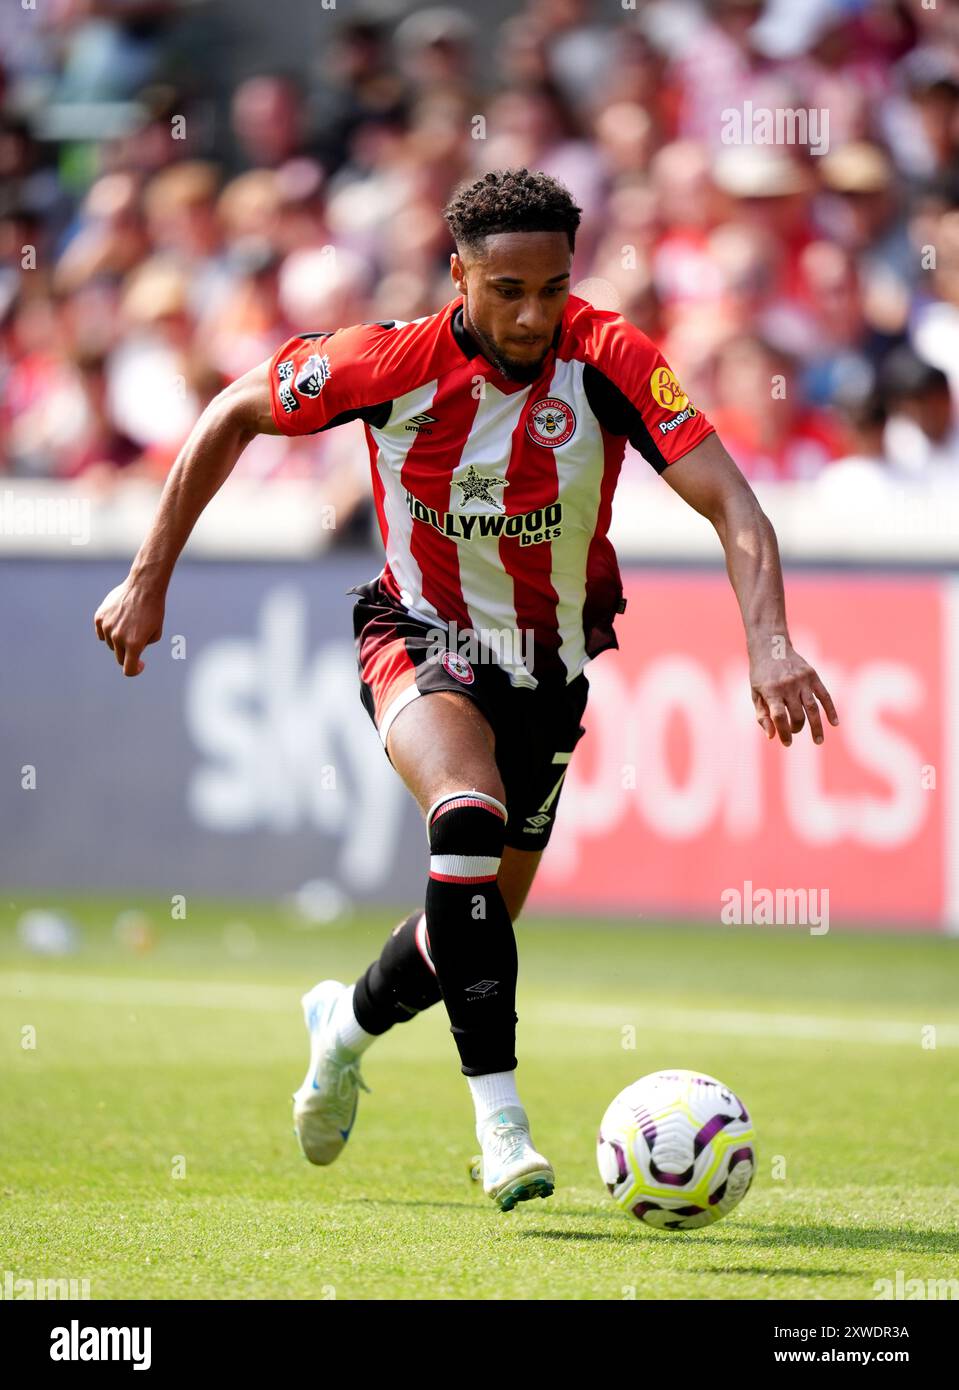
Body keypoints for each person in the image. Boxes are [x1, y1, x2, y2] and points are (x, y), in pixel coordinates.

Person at [93, 167, 839, 1213]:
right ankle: (501, 1125)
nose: (532, 314)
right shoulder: (384, 361)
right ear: (458, 275)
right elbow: (231, 412)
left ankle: (339, 1031)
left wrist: (768, 642)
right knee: (466, 809)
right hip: (417, 633)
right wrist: (147, 574)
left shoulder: (609, 357)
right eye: (506, 290)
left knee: (467, 924)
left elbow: (735, 505)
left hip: (551, 663)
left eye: (550, 288)